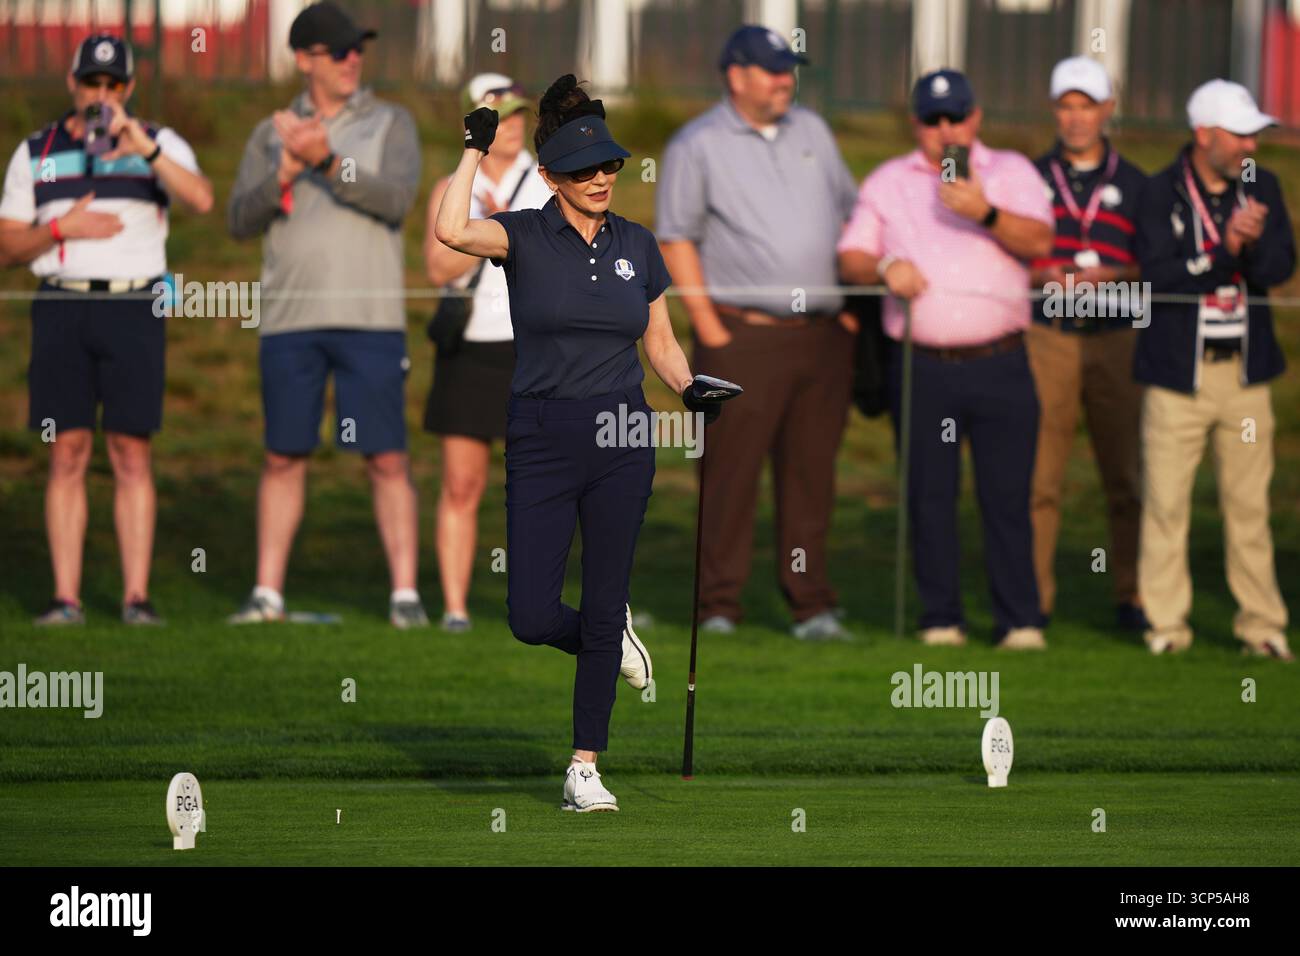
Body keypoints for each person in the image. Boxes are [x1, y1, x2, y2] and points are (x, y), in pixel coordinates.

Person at [435, 75, 731, 811]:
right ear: (549, 177)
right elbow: (449, 230)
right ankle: (611, 641)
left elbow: (658, 342)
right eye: (580, 170)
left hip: (623, 433)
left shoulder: (638, 244)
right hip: (540, 432)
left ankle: (584, 766)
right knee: (531, 616)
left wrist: (690, 389)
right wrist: (473, 148)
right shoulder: (524, 233)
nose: (599, 179)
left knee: (604, 598)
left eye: (608, 167)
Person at [0, 33, 213, 625]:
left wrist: (142, 148)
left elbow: (199, 198)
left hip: (135, 307)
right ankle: (65, 598)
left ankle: (135, 598)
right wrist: (61, 229)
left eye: (112, 85)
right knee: (66, 449)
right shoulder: (36, 149)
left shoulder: (159, 142)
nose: (101, 94)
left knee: (130, 450)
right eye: (91, 83)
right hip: (62, 306)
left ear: (128, 88)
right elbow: (7, 244)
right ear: (73, 83)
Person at [837, 70, 1054, 649]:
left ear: (975, 118)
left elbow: (1039, 242)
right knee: (930, 496)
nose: (945, 129)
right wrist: (885, 269)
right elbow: (852, 256)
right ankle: (941, 619)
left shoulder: (1011, 171)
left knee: (1007, 495)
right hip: (924, 366)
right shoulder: (889, 180)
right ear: (917, 125)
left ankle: (1020, 620)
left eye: (955, 116)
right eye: (933, 120)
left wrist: (983, 211)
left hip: (1000, 362)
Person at [657, 25, 860, 641]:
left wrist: (848, 311)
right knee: (730, 476)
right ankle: (717, 606)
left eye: (788, 69)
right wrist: (710, 329)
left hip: (822, 337)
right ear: (736, 75)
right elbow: (675, 236)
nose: (784, 80)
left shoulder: (814, 131)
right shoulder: (698, 143)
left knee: (811, 476)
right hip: (742, 336)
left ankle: (811, 605)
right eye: (772, 70)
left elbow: (854, 217)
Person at [226, 1, 425, 628]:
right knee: (283, 455)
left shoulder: (392, 121)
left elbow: (396, 200)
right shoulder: (271, 131)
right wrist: (284, 169)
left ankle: (404, 597)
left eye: (357, 49)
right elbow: (239, 218)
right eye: (339, 51)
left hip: (371, 320)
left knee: (387, 458)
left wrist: (324, 161)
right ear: (305, 59)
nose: (352, 60)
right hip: (290, 320)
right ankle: (267, 594)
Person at [1133, 80, 1295, 660]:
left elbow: (1278, 267)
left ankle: (1262, 627)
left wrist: (1248, 248)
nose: (1251, 145)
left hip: (1245, 378)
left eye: (1256, 133)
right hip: (1178, 378)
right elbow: (1159, 277)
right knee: (1166, 505)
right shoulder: (1158, 193)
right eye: (1240, 133)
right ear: (1203, 135)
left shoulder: (1264, 186)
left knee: (1248, 506)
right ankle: (1166, 627)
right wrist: (1225, 247)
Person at [422, 74, 552, 633]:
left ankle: (537, 602)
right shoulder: (454, 187)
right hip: (472, 348)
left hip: (533, 349)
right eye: (502, 115)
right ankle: (454, 608)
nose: (515, 124)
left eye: (522, 114)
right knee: (462, 482)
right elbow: (439, 267)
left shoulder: (549, 183)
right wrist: (489, 230)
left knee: (540, 484)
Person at [1028, 56, 1149, 631]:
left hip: (1118, 336)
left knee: (1125, 476)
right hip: (1049, 333)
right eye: (1066, 105)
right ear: (1055, 110)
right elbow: (1009, 255)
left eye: (1087, 105)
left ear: (1108, 109)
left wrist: (1116, 278)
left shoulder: (1137, 184)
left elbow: (1158, 267)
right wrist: (1044, 275)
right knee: (1041, 478)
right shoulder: (1028, 178)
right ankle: (1035, 600)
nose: (1076, 118)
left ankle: (1133, 595)